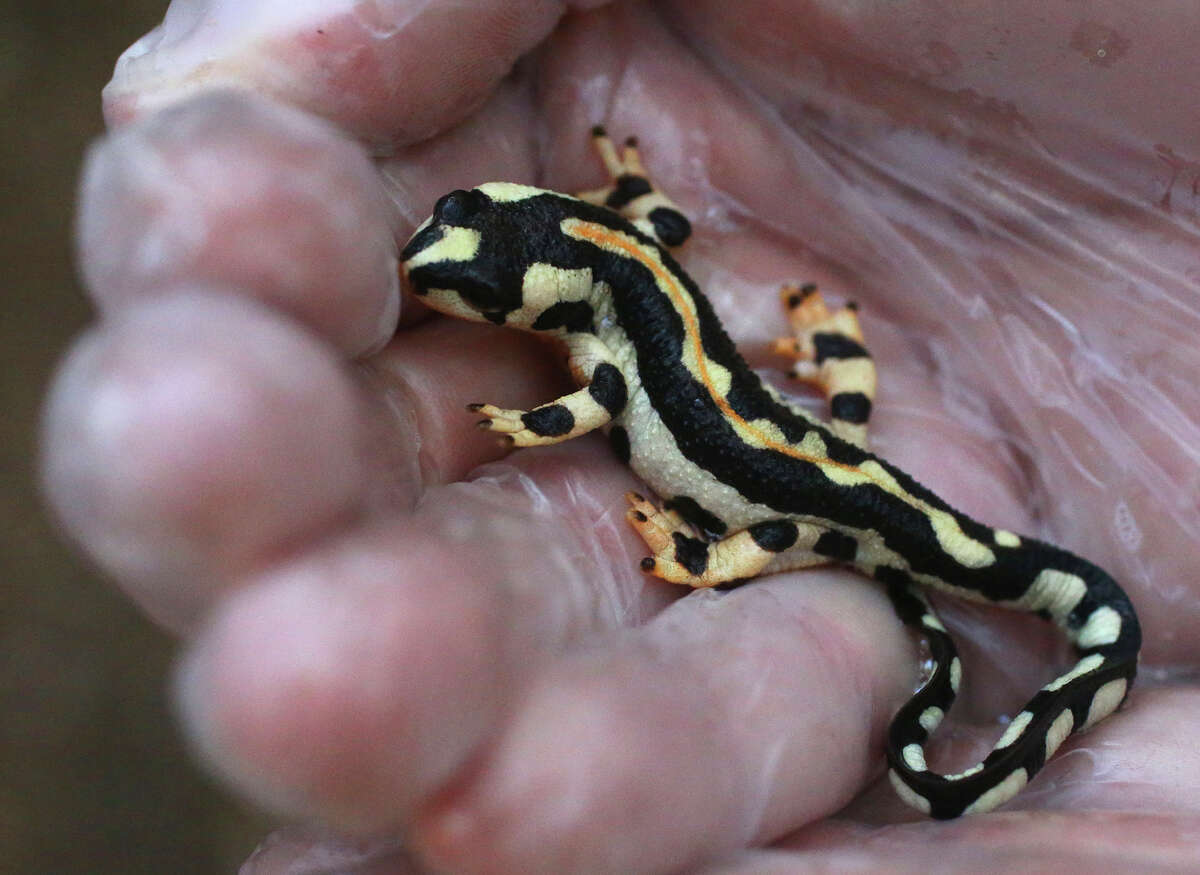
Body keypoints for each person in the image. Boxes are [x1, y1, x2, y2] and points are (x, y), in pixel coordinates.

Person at [43, 2, 1200, 871]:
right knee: (865, 502)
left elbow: (601, 399)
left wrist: (531, 426)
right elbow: (661, 220)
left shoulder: (609, 320)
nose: (446, 266)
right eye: (461, 233)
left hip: (776, 486)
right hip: (805, 455)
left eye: (482, 284)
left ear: (548, 276)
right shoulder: (625, 247)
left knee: (842, 516)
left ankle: (738, 561)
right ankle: (854, 457)